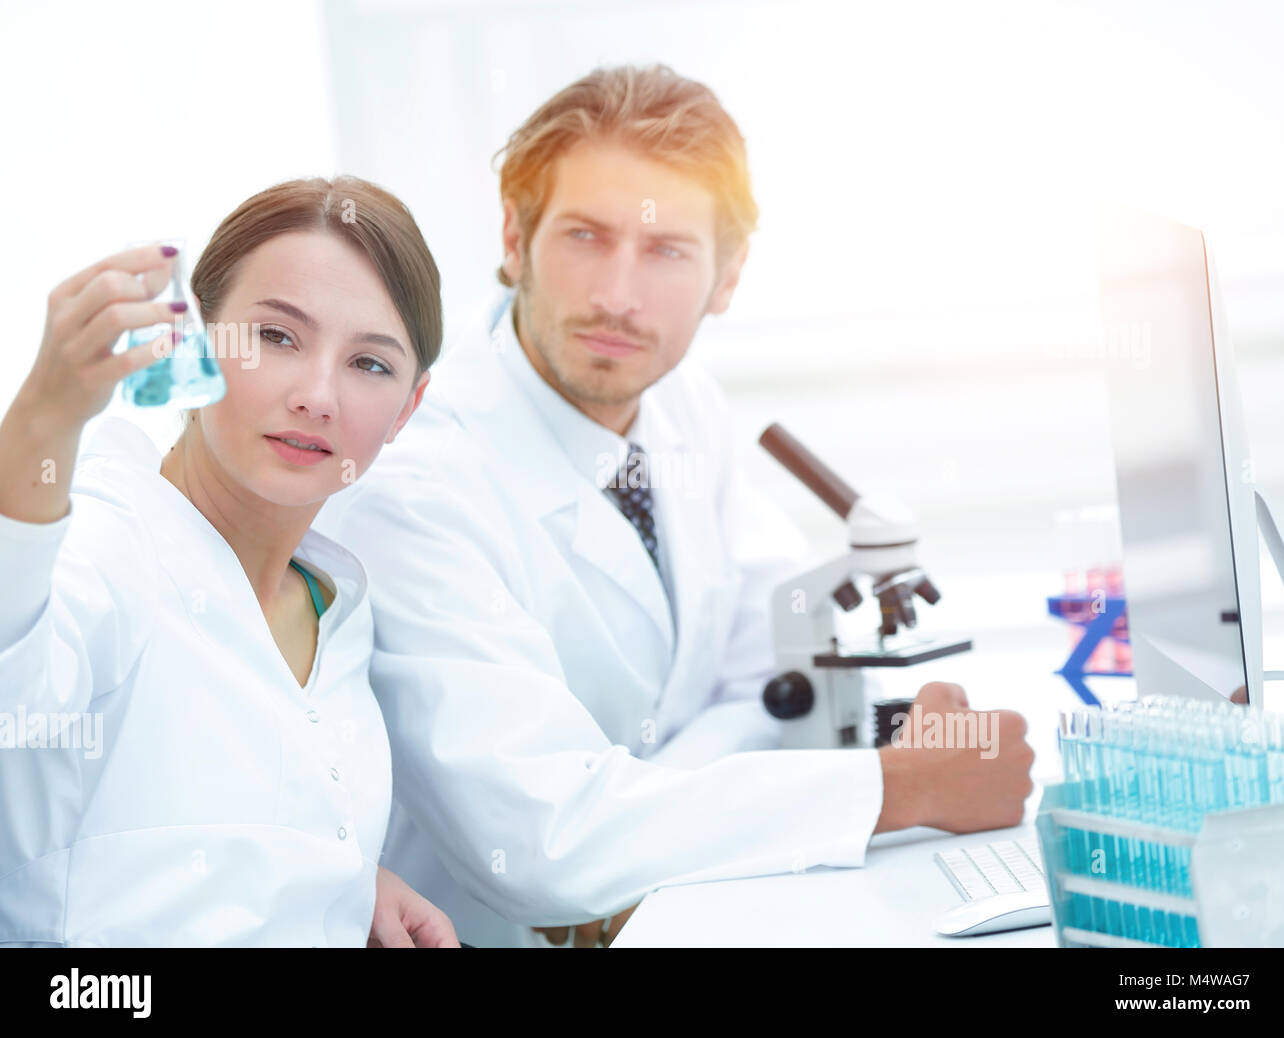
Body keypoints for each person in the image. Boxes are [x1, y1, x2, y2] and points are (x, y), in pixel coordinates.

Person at [316, 65, 1034, 948]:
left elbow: (775, 678)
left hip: (675, 911)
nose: (618, 296)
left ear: (727, 277)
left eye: (666, 252)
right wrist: (904, 786)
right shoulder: (408, 480)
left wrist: (634, 806)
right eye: (585, 236)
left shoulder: (682, 401)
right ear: (514, 237)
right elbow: (542, 843)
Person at [0, 176, 458, 947]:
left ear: (407, 409)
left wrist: (342, 884)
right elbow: (14, 681)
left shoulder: (332, 601)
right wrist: (44, 417)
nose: (318, 396)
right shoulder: (110, 542)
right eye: (276, 337)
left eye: (370, 365)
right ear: (193, 340)